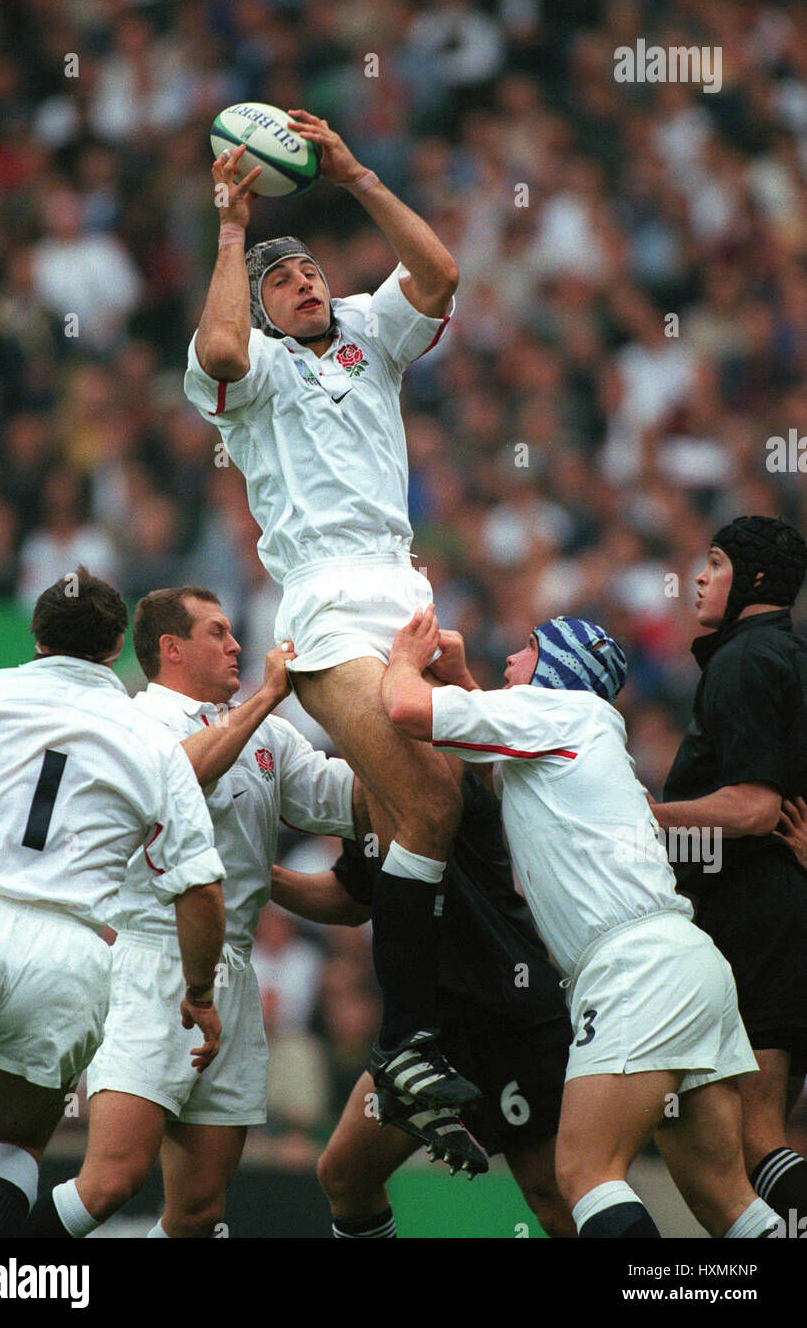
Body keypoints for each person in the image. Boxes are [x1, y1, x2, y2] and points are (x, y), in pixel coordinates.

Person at [184, 114, 475, 1111]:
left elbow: (435, 275)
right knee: (428, 804)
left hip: (406, 596)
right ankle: (406, 1041)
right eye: (282, 282)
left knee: (434, 808)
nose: (304, 283)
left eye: (307, 269)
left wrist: (353, 173)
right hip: (323, 610)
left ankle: (430, 1021)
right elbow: (220, 349)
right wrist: (233, 231)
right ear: (263, 309)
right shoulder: (257, 372)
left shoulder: (364, 328)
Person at [380, 605, 783, 1238]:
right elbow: (501, 749)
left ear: (556, 667)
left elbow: (404, 710)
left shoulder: (558, 714)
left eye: (527, 648)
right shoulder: (575, 726)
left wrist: (404, 659)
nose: (510, 658)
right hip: (686, 963)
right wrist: (463, 680)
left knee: (586, 1172)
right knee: (727, 1202)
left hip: (634, 970)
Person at [22, 585, 362, 1239]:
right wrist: (266, 697)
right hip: (152, 960)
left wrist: (406, 734)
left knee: (201, 1209)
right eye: (217, 632)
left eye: (233, 631)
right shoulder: (134, 724)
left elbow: (342, 800)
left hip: (234, 968)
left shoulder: (271, 735)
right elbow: (171, 780)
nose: (237, 645)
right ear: (171, 649)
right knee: (112, 1180)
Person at [0, 569, 225, 1238]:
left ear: (36, 635)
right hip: (68, 955)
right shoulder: (153, 740)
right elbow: (202, 889)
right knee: (12, 1146)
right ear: (117, 645)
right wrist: (200, 991)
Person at [271, 766, 577, 1239]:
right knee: (346, 1175)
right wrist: (258, 873)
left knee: (554, 1200)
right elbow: (351, 900)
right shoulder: (368, 784)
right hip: (425, 1032)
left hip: (503, 1012)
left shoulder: (439, 764)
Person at [655, 515, 807, 1229]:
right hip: (785, 912)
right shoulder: (792, 655)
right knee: (753, 1139)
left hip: (757, 916)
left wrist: (643, 817)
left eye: (713, 563)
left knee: (754, 1140)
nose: (697, 577)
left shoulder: (743, 663)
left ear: (749, 580)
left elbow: (751, 808)